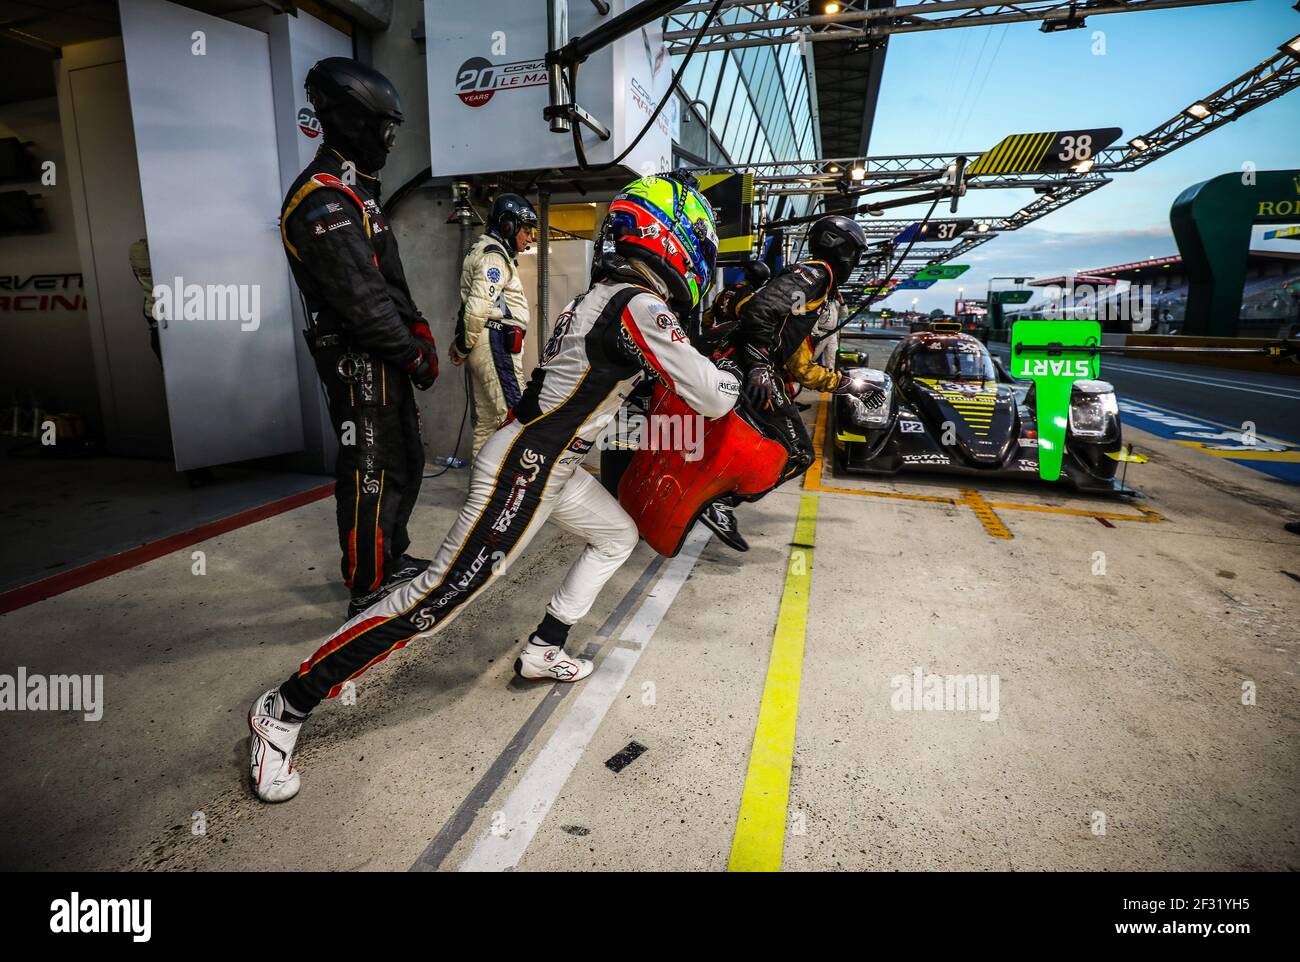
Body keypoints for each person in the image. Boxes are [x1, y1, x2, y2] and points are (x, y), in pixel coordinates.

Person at [248, 172, 740, 803]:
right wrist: (735, 379)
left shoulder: (607, 298)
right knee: (437, 599)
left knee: (616, 534)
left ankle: (544, 647)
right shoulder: (639, 306)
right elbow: (709, 395)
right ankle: (284, 707)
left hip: (547, 460)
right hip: (530, 466)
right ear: (672, 238)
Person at [279, 58, 439, 618]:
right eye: (387, 128)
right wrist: (413, 352)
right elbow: (362, 302)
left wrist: (416, 331)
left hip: (383, 357)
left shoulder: (357, 192)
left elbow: (386, 287)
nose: (391, 142)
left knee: (404, 462)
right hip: (359, 361)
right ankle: (367, 583)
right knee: (371, 469)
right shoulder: (321, 198)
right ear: (353, 120)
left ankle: (390, 560)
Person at [698, 214, 875, 551]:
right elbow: (760, 310)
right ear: (843, 250)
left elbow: (798, 361)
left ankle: (714, 497)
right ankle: (718, 501)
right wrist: (761, 366)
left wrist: (844, 384)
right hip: (744, 369)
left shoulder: (812, 286)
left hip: (740, 366)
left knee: (768, 446)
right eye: (856, 252)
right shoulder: (816, 275)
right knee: (796, 454)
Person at [451, 194, 538, 457]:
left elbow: (474, 306)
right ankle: (516, 494)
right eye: (526, 229)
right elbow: (478, 307)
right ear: (507, 226)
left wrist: (464, 344)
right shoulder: (493, 257)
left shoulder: (491, 252)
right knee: (517, 419)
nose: (530, 237)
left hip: (487, 343)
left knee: (488, 425)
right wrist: (463, 347)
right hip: (495, 344)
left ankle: (483, 494)